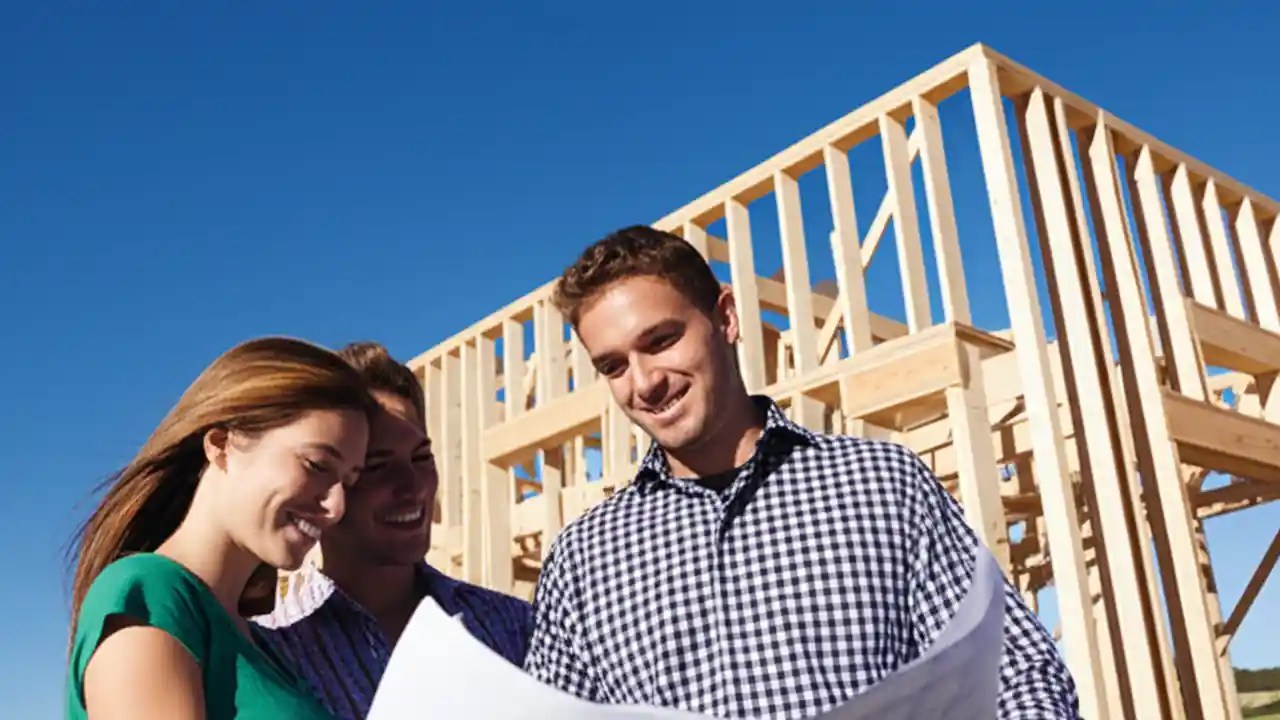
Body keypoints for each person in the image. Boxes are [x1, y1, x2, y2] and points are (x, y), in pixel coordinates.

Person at [523, 225, 1080, 718]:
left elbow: (1014, 673)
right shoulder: (585, 561)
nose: (644, 383)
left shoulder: (880, 486)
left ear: (726, 317)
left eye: (661, 341)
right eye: (614, 366)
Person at [65, 336, 377, 720]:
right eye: (316, 465)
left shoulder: (263, 647)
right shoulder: (150, 594)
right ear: (221, 444)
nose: (336, 506)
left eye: (349, 480)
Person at [252, 342, 534, 720]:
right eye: (377, 466)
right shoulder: (271, 649)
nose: (412, 486)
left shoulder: (513, 627)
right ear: (324, 480)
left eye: (421, 458)